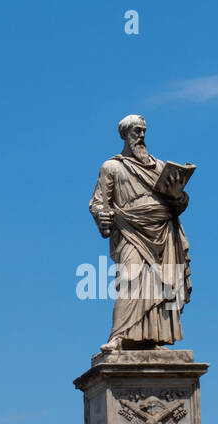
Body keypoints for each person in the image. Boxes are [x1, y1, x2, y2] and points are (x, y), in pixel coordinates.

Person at [89, 114, 191, 352]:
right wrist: (102, 215)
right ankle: (120, 336)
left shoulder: (159, 167)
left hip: (163, 231)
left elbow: (181, 203)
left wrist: (178, 195)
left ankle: (153, 337)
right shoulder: (112, 167)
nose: (142, 135)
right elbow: (98, 203)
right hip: (130, 230)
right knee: (130, 279)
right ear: (124, 134)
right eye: (137, 130)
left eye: (144, 130)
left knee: (160, 285)